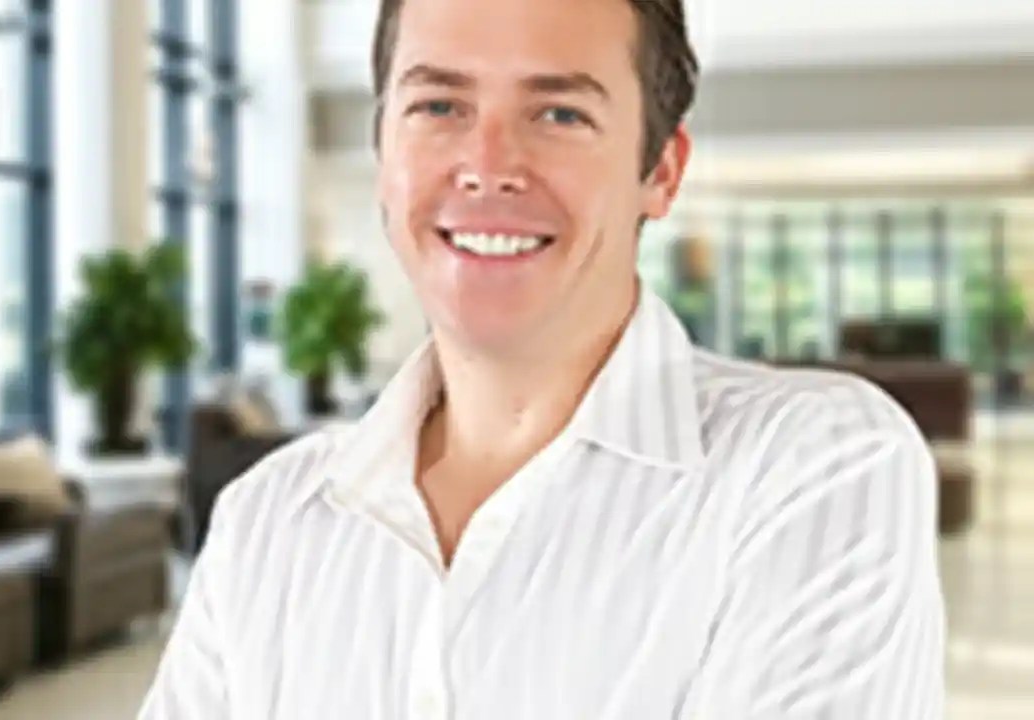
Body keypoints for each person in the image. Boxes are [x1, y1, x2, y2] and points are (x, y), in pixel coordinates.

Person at [138, 0, 945, 716]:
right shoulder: (266, 520)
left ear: (660, 172)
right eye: (440, 104)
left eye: (558, 114)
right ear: (384, 154)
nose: (488, 166)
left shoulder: (813, 468)